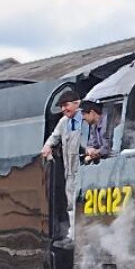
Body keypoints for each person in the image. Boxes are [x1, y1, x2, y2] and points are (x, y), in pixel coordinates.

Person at [40, 89, 84, 240]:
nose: (64, 109)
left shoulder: (85, 118)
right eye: (62, 106)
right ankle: (73, 233)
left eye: (66, 105)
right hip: (70, 168)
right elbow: (55, 136)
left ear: (77, 104)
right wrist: (47, 146)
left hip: (83, 166)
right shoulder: (64, 121)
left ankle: (83, 231)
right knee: (70, 201)